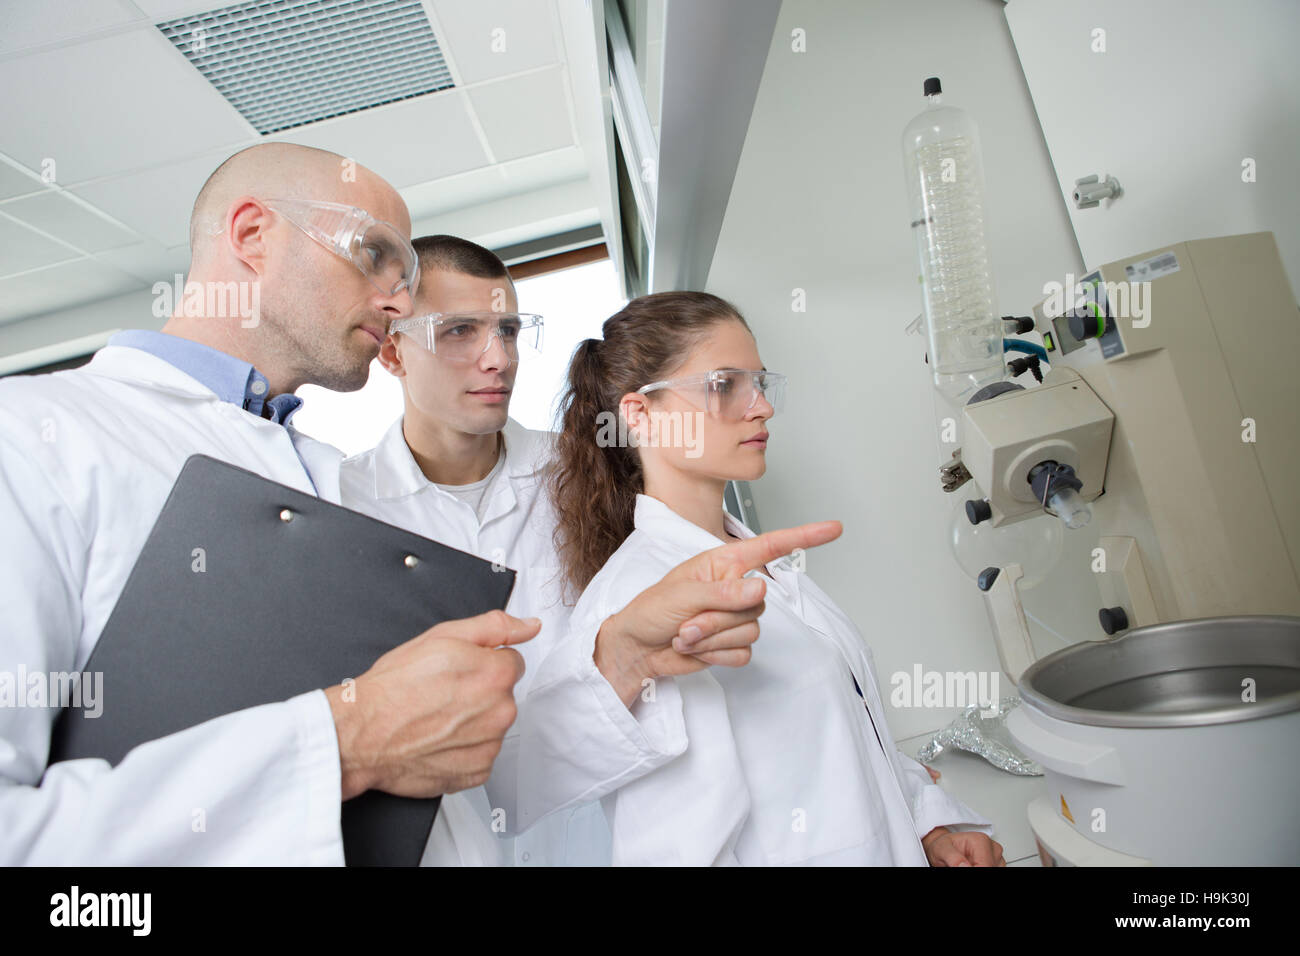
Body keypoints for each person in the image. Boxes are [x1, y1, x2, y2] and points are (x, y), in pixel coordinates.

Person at [0, 144, 834, 864]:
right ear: (253, 236)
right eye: (371, 257)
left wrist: (624, 656)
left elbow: (473, 778)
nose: (398, 302)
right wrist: (343, 741)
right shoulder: (34, 438)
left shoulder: (307, 475)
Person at [537, 290, 1007, 866]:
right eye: (724, 385)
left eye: (759, 383)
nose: (761, 406)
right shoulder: (641, 604)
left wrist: (927, 825)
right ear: (639, 414)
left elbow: (834, 745)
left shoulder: (758, 561)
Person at [339, 235, 609, 864]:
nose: (499, 359)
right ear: (392, 352)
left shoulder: (585, 474)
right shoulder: (344, 507)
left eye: (509, 330)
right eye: (460, 330)